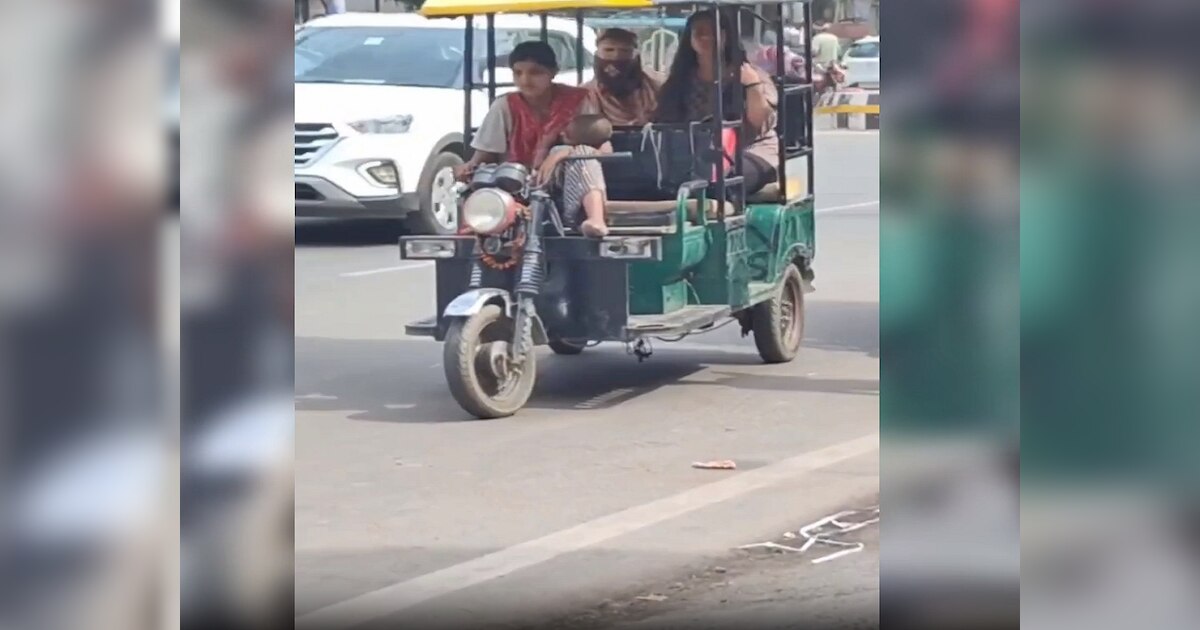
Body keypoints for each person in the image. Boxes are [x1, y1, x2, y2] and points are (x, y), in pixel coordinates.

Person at [455, 41, 610, 237]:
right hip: (515, 187)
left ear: (553, 72)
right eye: (518, 73)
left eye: (535, 72)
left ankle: (595, 219)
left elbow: (603, 149)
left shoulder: (578, 100)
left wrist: (564, 153)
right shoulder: (505, 105)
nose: (525, 80)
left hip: (565, 191)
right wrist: (469, 166)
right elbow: (485, 154)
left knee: (582, 153)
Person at [653, 9, 780, 197]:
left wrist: (752, 86)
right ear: (690, 38)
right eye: (699, 31)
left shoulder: (750, 74)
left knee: (718, 184)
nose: (706, 36)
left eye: (714, 31)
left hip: (750, 150)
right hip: (695, 154)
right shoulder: (679, 81)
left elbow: (760, 122)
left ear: (727, 36)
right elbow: (662, 121)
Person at [582, 28, 663, 126]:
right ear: (597, 54)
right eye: (609, 50)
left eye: (625, 51)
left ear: (636, 55)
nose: (616, 56)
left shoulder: (658, 89)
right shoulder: (585, 95)